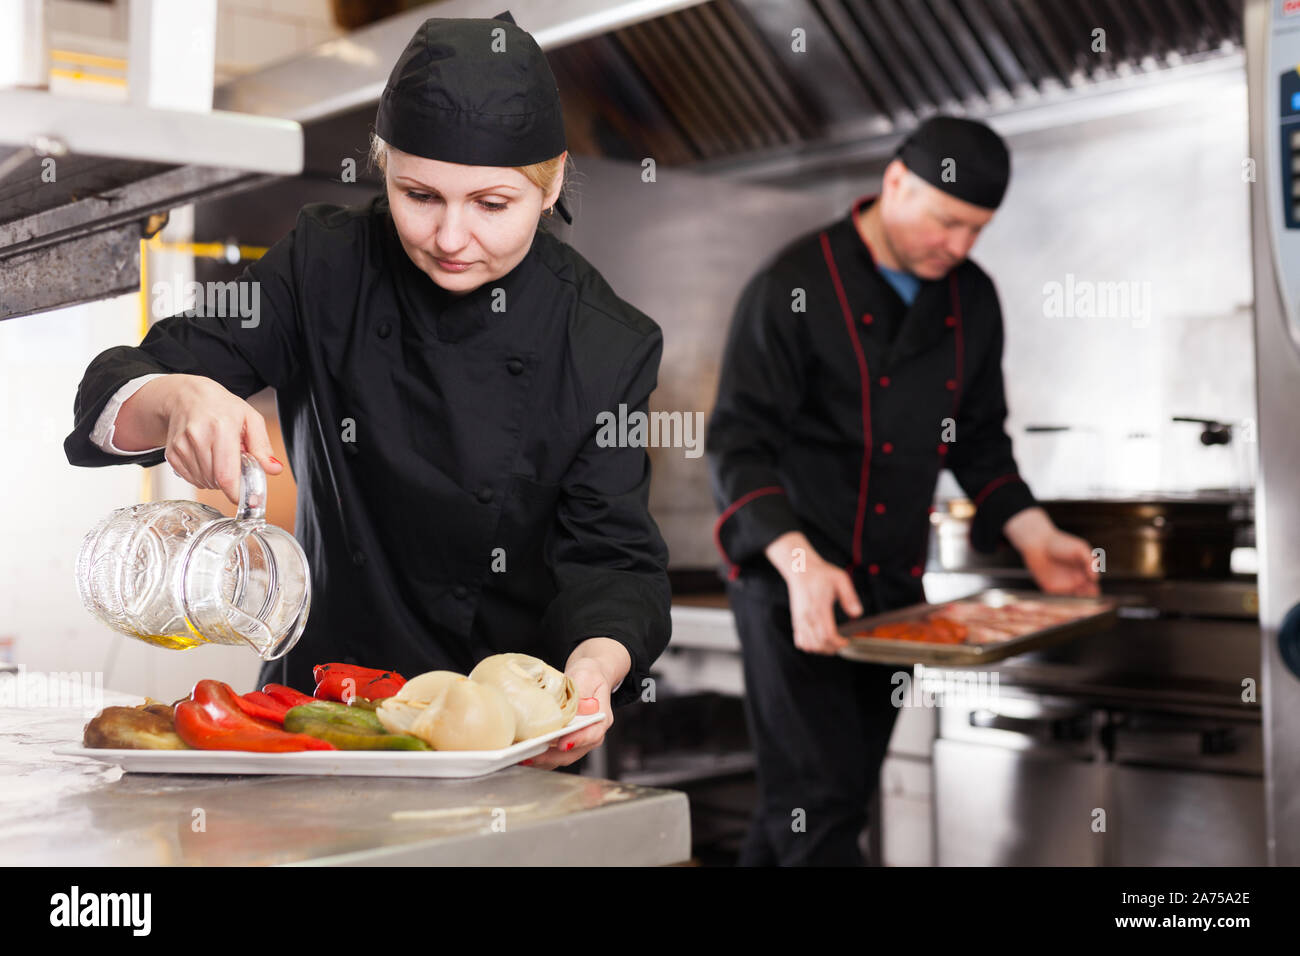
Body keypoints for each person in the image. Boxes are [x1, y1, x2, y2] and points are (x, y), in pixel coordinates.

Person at [63, 15, 671, 770]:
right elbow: (118, 381)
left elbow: (613, 562)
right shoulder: (323, 264)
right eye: (419, 194)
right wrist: (180, 395)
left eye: (491, 205)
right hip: (314, 716)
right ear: (383, 169)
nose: (451, 238)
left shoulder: (605, 341)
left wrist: (590, 677)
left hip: (497, 739)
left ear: (548, 189)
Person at [706, 116, 1099, 864]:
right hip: (794, 586)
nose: (959, 246)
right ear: (894, 183)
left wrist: (1037, 536)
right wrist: (797, 563)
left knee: (825, 801)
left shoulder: (973, 300)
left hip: (894, 593)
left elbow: (979, 440)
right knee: (819, 812)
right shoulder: (792, 284)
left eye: (976, 231)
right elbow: (736, 444)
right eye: (948, 221)